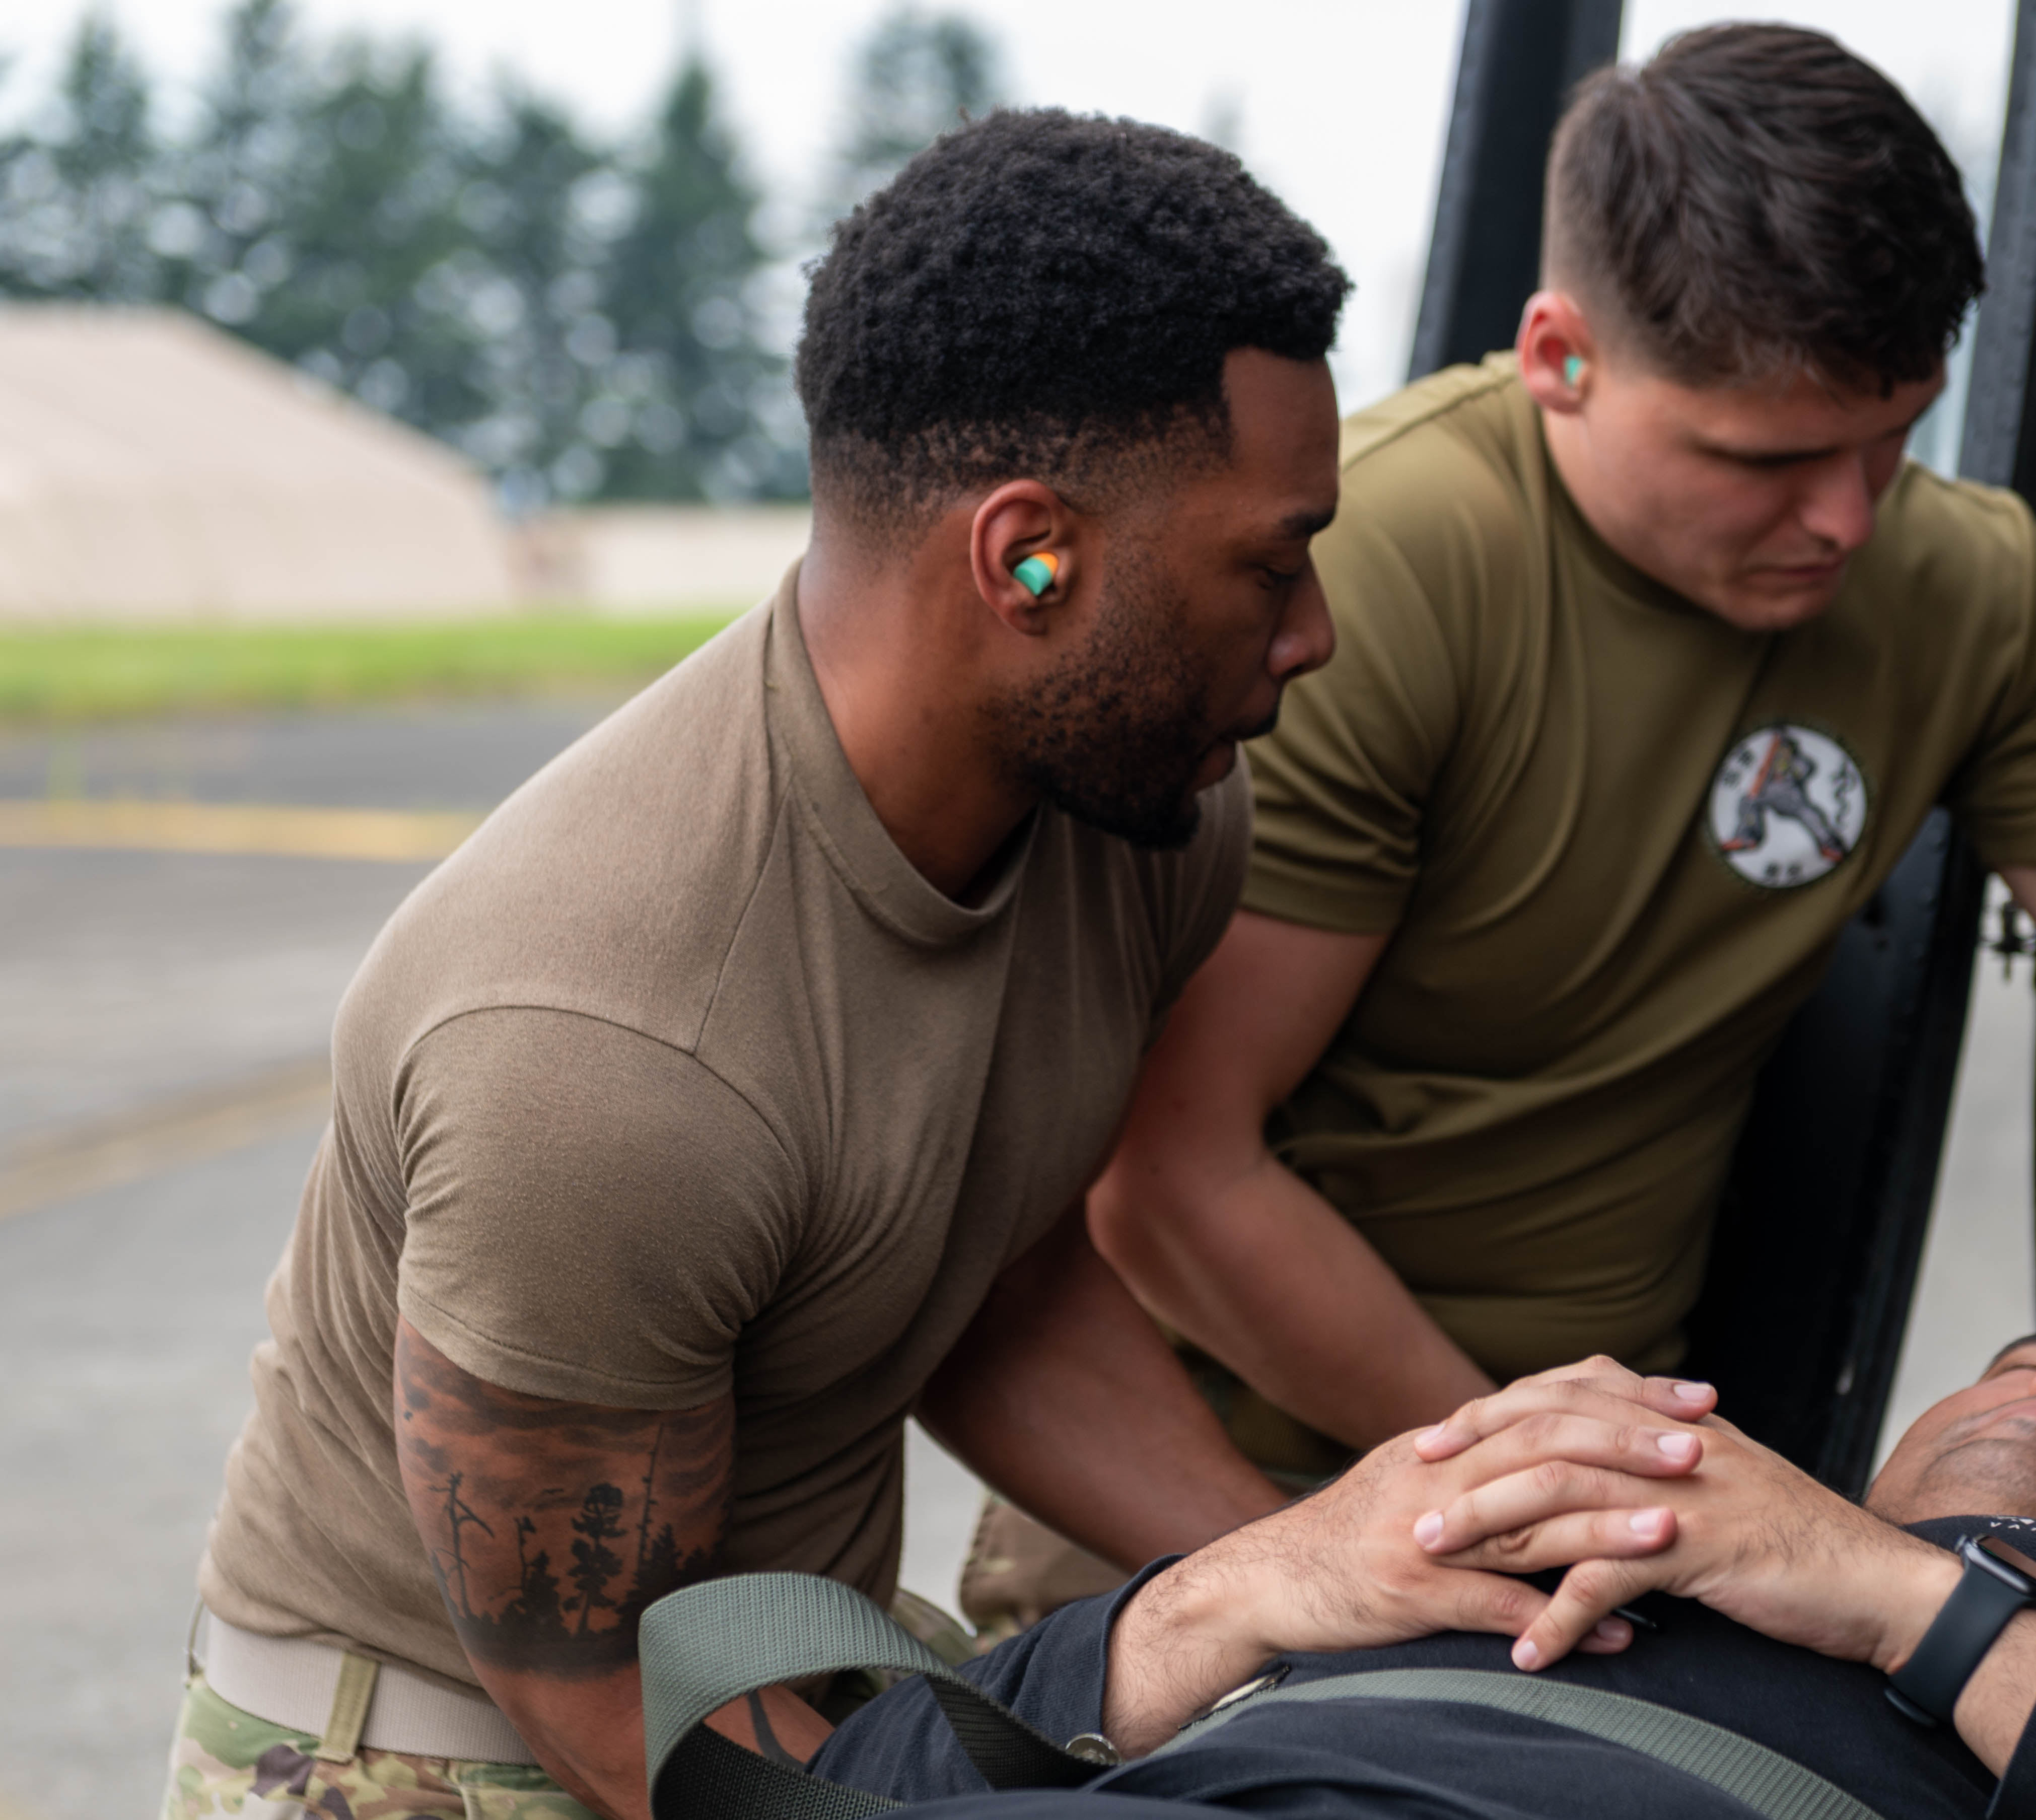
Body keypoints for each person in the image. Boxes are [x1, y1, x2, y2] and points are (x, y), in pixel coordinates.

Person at [1081, 24, 2036, 1525]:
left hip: (1613, 1511)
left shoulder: (1975, 598)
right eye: (1764, 459)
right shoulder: (1373, 586)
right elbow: (1173, 1183)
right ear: (1561, 359)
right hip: (1228, 1498)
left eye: (1891, 439)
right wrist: (1592, 1506)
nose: (1848, 521)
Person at [165, 111, 1353, 1820]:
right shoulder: (604, 1048)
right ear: (1030, 557)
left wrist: (1325, 1591)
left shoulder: (1145, 811)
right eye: (1267, 563)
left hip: (785, 1666)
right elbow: (603, 1682)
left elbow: (989, 1283)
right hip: (454, 1748)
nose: (1310, 634)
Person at [806, 1324, 2036, 1819]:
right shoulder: (1624, 1514)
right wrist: (1239, 1587)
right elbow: (854, 1789)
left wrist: (1925, 1605)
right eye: (2027, 1355)